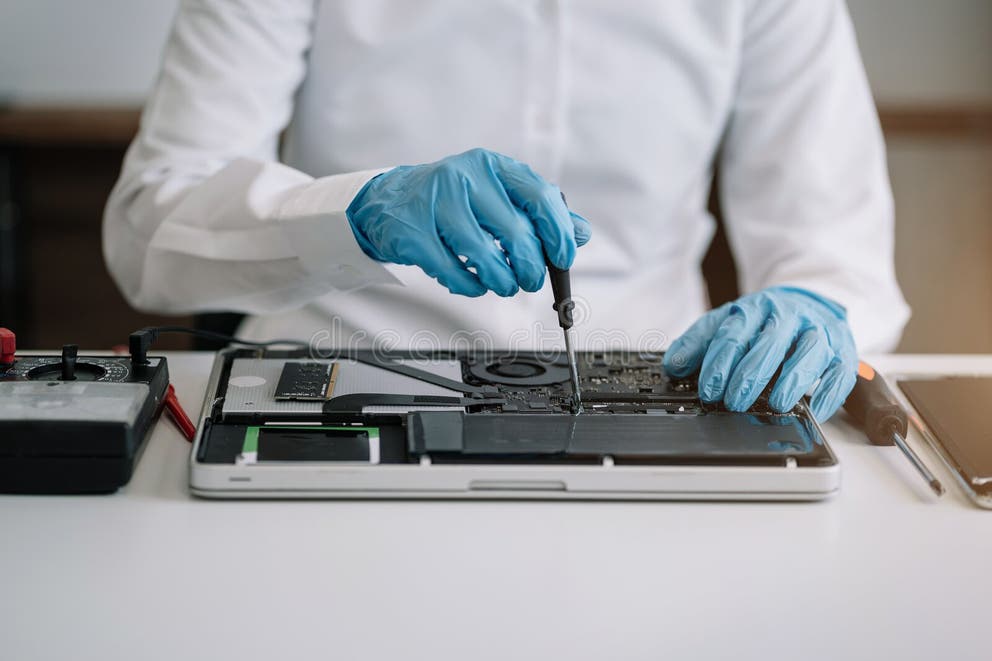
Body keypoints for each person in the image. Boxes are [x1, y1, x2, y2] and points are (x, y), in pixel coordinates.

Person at [103, 0, 909, 421]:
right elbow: (148, 228)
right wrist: (356, 212)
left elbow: (834, 242)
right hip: (337, 388)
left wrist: (816, 307)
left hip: (662, 398)